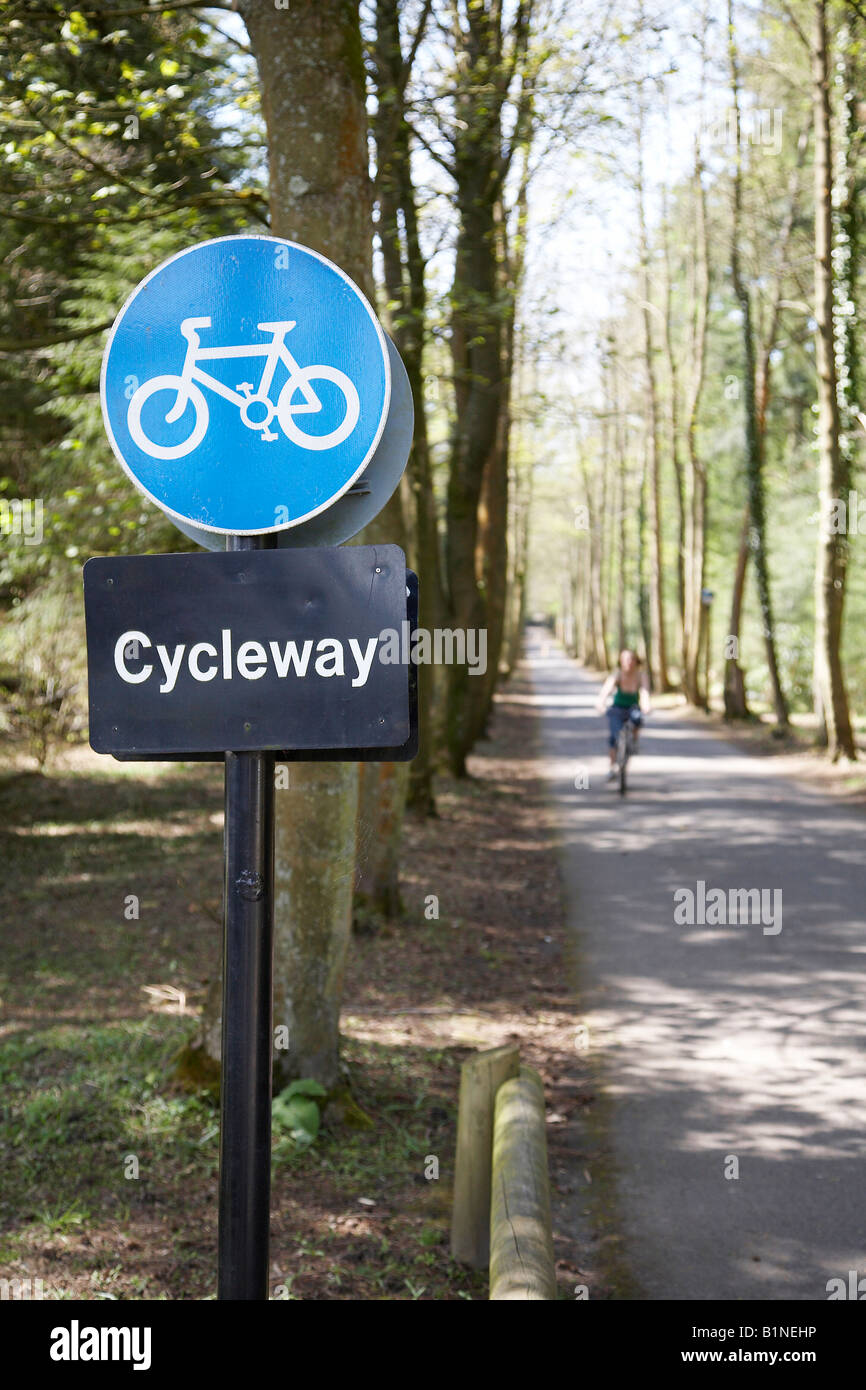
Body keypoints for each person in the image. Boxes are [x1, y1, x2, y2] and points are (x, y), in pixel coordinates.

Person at [596, 650, 651, 781]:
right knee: (614, 737)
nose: (628, 662)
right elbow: (606, 690)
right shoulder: (617, 675)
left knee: (638, 718)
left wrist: (646, 705)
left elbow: (644, 692)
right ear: (620, 661)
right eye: (625, 659)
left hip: (633, 708)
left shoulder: (640, 676)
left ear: (636, 661)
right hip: (618, 708)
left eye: (631, 659)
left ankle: (633, 742)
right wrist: (600, 702)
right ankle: (612, 767)